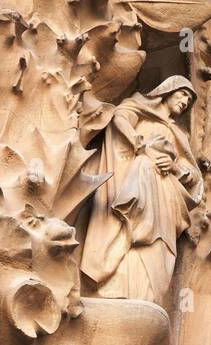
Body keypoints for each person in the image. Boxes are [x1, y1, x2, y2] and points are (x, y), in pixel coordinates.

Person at [80, 76, 203, 304]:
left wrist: (175, 167)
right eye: (182, 94)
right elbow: (120, 117)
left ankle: (148, 299)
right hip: (138, 186)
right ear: (167, 91)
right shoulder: (140, 110)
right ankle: (119, 289)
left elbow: (193, 175)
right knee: (133, 234)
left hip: (166, 198)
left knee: (159, 245)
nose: (185, 101)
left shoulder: (179, 135)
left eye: (189, 99)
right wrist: (139, 144)